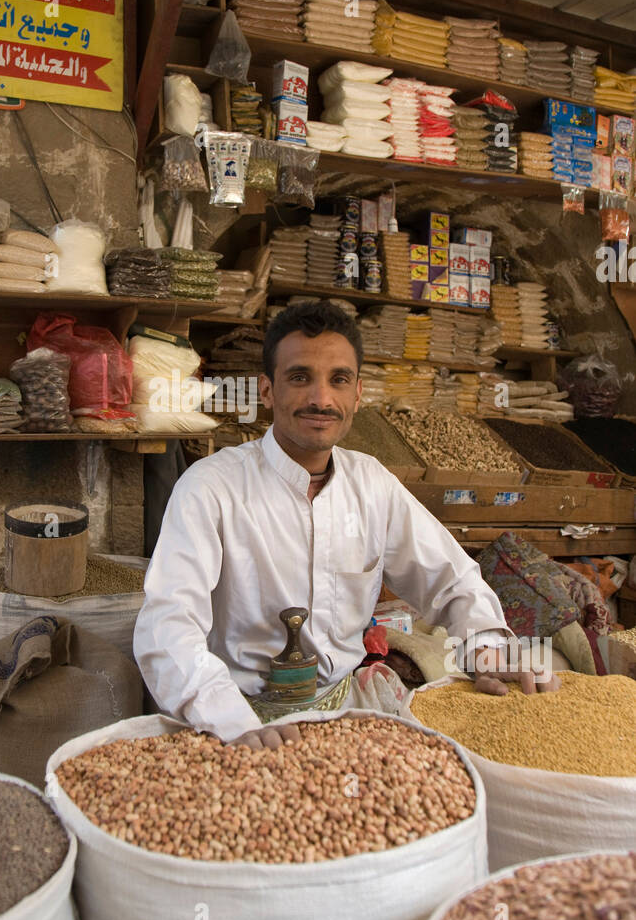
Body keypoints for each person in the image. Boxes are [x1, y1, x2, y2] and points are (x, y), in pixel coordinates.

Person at [133, 299, 559, 750]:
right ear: (266, 391)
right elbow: (167, 625)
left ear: (358, 393)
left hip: (344, 718)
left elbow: (452, 581)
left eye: (339, 380)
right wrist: (232, 722)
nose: (321, 399)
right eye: (300, 378)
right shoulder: (211, 487)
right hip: (232, 721)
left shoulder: (372, 484)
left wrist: (487, 647)